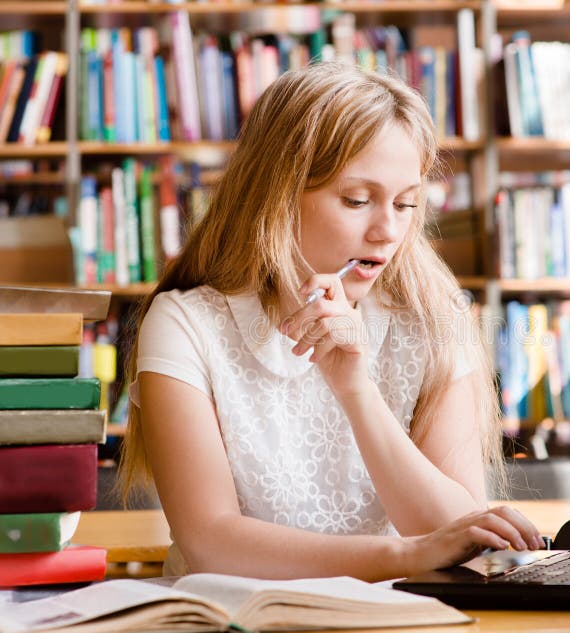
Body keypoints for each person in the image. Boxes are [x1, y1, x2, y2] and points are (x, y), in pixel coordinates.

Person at [119, 61, 545, 581]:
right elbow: (210, 542)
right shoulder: (186, 324)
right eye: (357, 200)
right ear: (275, 194)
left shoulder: (435, 318)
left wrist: (356, 390)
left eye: (406, 204)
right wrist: (404, 557)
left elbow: (457, 533)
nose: (388, 230)